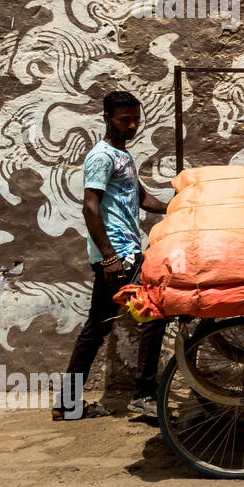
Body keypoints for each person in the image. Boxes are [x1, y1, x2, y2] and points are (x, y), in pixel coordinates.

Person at [53, 90, 170, 420]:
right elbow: (90, 207)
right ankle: (143, 395)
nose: (132, 125)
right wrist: (108, 257)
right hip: (118, 255)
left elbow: (139, 196)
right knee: (154, 311)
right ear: (106, 118)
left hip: (123, 253)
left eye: (136, 119)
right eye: (124, 120)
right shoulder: (101, 156)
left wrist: (174, 207)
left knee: (96, 329)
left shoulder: (123, 156)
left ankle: (67, 405)